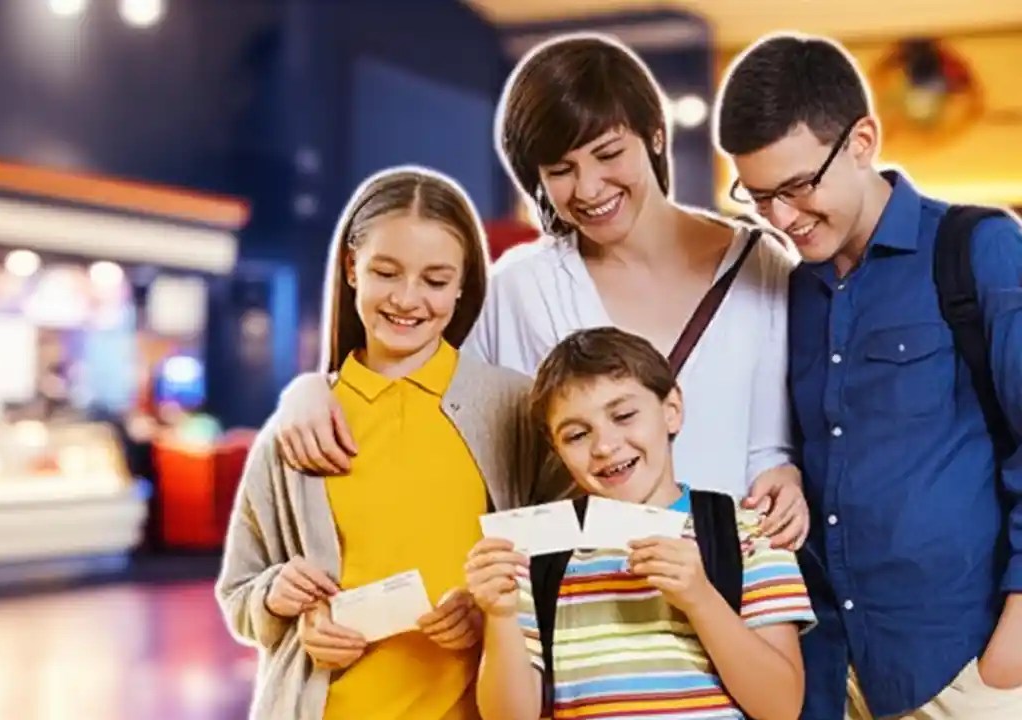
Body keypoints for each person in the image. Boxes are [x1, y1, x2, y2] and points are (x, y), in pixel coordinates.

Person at [269, 33, 810, 549]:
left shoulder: (761, 267)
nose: (590, 189)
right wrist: (312, 392)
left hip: (735, 593)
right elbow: (422, 397)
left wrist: (788, 473)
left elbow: (783, 434)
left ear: (655, 135)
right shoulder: (519, 289)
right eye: (561, 169)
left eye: (607, 153)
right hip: (584, 614)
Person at [717, 33, 1022, 719]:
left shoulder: (977, 250)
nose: (782, 219)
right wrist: (788, 470)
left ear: (862, 140)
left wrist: (1014, 645)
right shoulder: (790, 292)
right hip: (831, 673)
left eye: (797, 187)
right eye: (760, 197)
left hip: (965, 671)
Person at [215, 167, 563, 720]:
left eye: (435, 279)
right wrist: (281, 601)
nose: (407, 299)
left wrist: (494, 616)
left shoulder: (516, 411)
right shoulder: (300, 430)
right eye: (386, 272)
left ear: (462, 284)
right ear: (353, 269)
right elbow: (240, 593)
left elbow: (567, 566)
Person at [467, 327, 815, 719]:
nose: (604, 445)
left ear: (672, 410)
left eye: (624, 415)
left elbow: (782, 707)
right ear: (556, 450)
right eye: (577, 434)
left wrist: (700, 599)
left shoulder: (749, 532)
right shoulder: (534, 551)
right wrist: (499, 616)